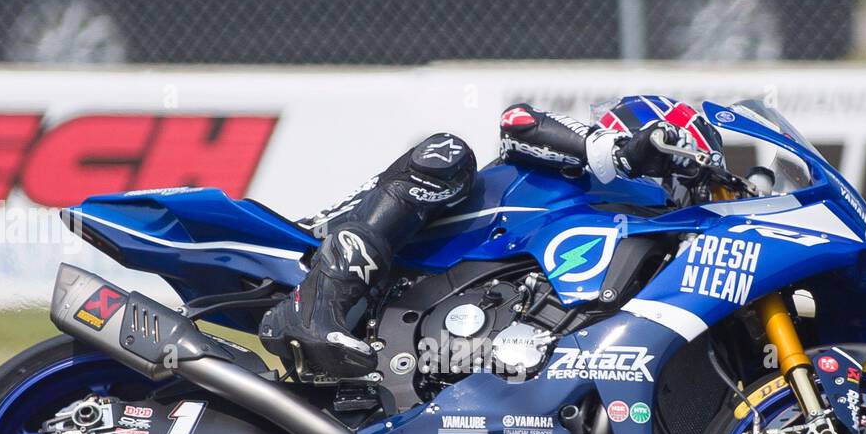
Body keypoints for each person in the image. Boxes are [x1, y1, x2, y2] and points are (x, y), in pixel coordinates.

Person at [259, 95, 726, 378]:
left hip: (432, 312)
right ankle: (318, 301)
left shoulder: (643, 247)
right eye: (696, 171)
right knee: (446, 153)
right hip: (314, 242)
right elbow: (517, 120)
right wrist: (619, 152)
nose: (699, 191)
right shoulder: (579, 170)